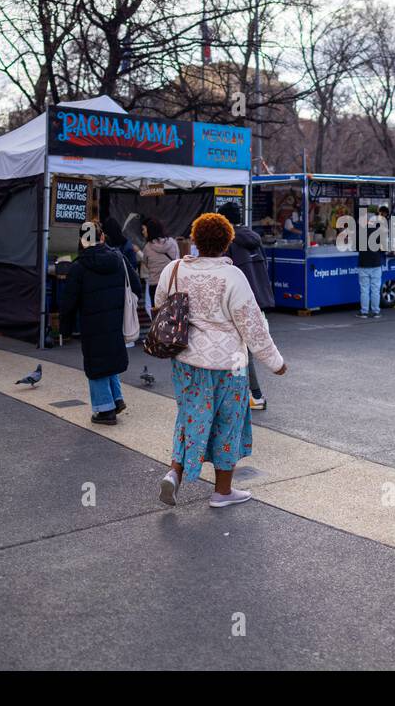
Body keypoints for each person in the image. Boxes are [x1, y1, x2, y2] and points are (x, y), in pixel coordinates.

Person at [153, 212, 286, 509]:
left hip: (186, 359)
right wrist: (275, 362)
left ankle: (175, 472)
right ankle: (222, 492)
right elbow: (253, 327)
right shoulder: (233, 277)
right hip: (230, 364)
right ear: (227, 243)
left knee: (191, 416)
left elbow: (159, 305)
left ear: (196, 240)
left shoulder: (174, 269)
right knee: (228, 422)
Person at [60, 222, 141, 426]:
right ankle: (116, 398)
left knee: (96, 363)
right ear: (102, 237)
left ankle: (105, 410)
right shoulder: (119, 258)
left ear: (82, 240)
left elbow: (68, 301)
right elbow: (137, 286)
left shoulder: (79, 266)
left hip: (92, 323)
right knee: (109, 358)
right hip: (115, 320)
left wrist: (65, 329)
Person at [216, 202, 274, 410]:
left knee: (240, 351)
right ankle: (247, 395)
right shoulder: (254, 239)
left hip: (239, 303)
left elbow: (224, 275)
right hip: (258, 300)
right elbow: (264, 268)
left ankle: (253, 396)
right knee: (244, 349)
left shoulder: (229, 242)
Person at [139, 216, 179, 308]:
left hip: (155, 286)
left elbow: (147, 264)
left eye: (144, 229)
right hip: (171, 284)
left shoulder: (147, 248)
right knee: (173, 312)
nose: (143, 232)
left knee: (157, 315)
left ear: (150, 231)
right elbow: (177, 260)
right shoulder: (172, 243)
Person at [355, 206, 387, 319]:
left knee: (364, 289)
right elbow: (384, 248)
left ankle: (364, 312)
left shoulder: (360, 231)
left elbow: (356, 247)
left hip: (363, 263)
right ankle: (376, 311)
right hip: (376, 263)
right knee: (375, 289)